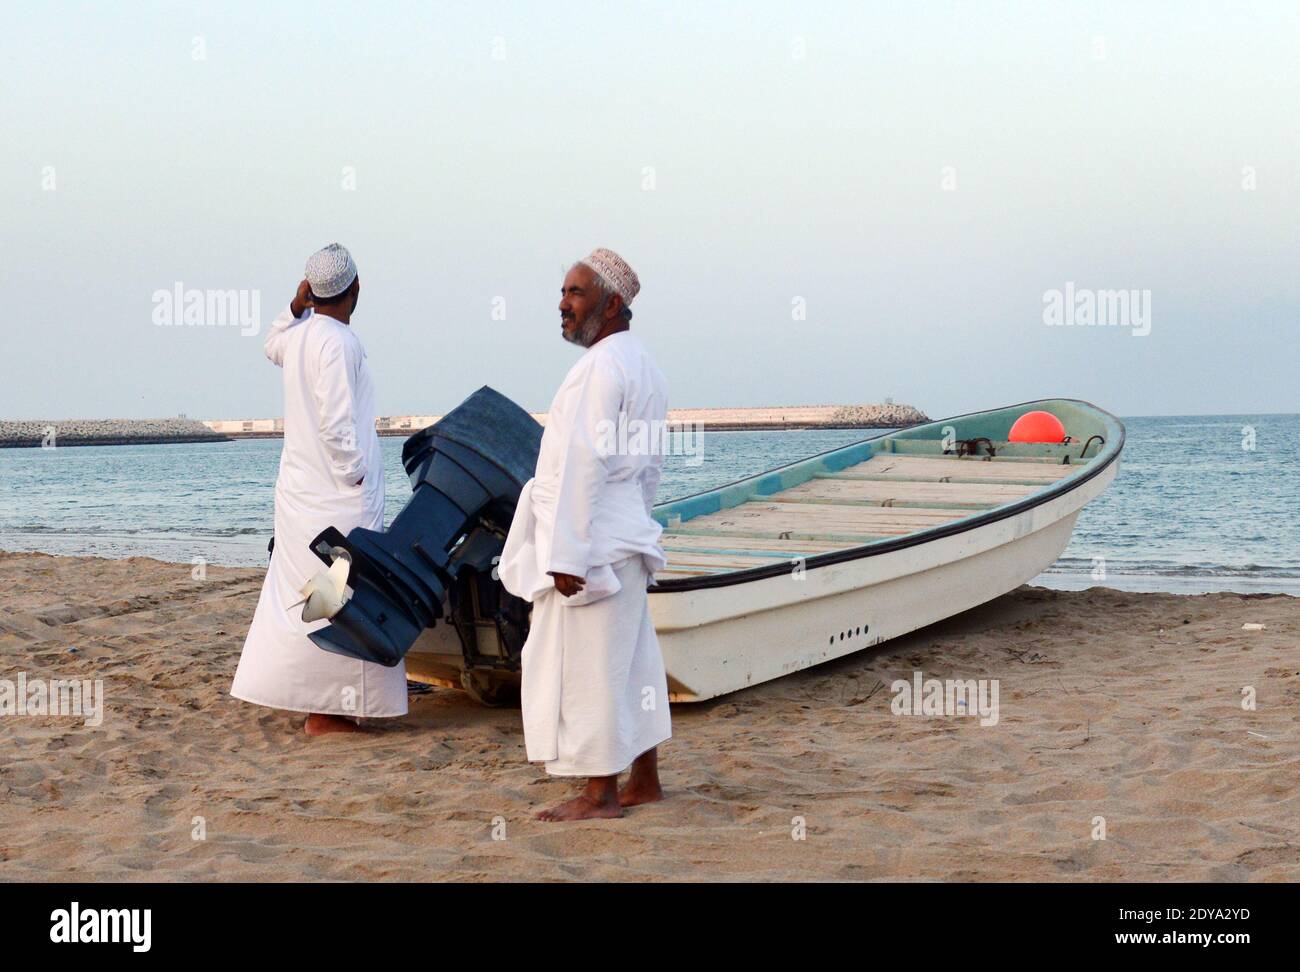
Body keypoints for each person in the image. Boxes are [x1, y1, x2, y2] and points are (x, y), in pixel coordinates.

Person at [499, 248, 672, 820]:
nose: (563, 305)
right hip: (624, 532)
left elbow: (585, 460)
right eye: (564, 293)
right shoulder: (641, 361)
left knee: (592, 667)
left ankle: (600, 795)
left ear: (613, 303)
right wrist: (636, 528)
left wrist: (568, 552)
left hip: (595, 538)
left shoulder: (602, 367)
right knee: (632, 663)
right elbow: (647, 471)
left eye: (575, 293)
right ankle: (643, 779)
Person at [231, 243, 407, 735]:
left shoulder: (300, 335)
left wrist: (293, 306)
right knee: (341, 593)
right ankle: (326, 713)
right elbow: (336, 422)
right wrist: (357, 474)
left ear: (312, 291)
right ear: (355, 289)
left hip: (299, 492)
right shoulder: (338, 341)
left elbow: (271, 342)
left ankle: (323, 706)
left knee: (309, 593)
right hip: (336, 495)